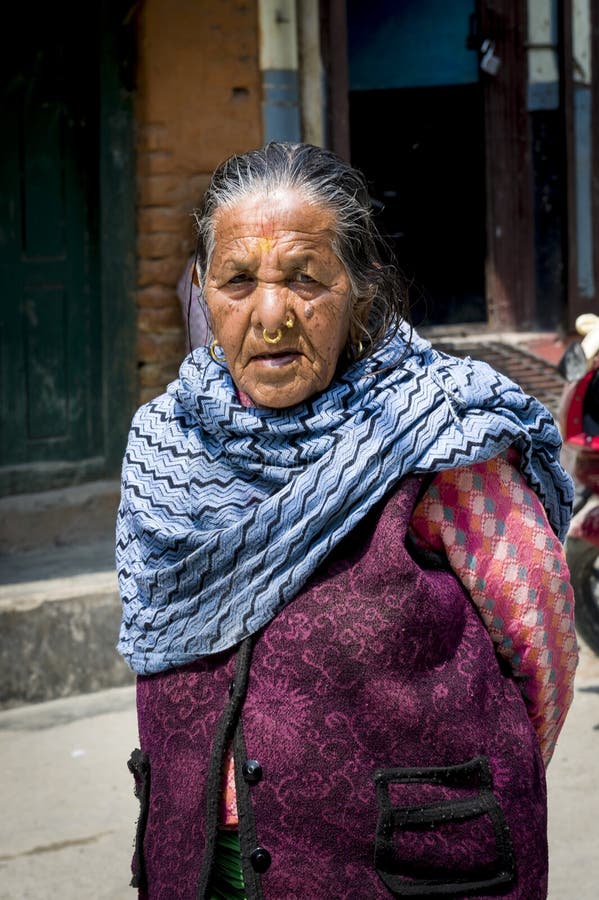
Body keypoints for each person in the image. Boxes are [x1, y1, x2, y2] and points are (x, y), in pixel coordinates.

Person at [116, 142, 578, 900]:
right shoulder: (165, 450)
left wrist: (450, 792)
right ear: (202, 290)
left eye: (305, 279)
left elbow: (542, 653)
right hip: (198, 867)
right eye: (237, 282)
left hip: (407, 874)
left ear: (360, 291)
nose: (270, 316)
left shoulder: (440, 436)